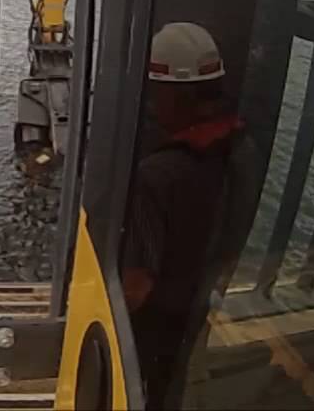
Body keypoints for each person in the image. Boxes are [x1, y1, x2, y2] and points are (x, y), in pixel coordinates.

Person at [121, 23, 259, 410]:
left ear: (169, 94)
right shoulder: (243, 149)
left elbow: (135, 288)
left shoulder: (155, 177)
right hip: (209, 311)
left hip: (162, 329)